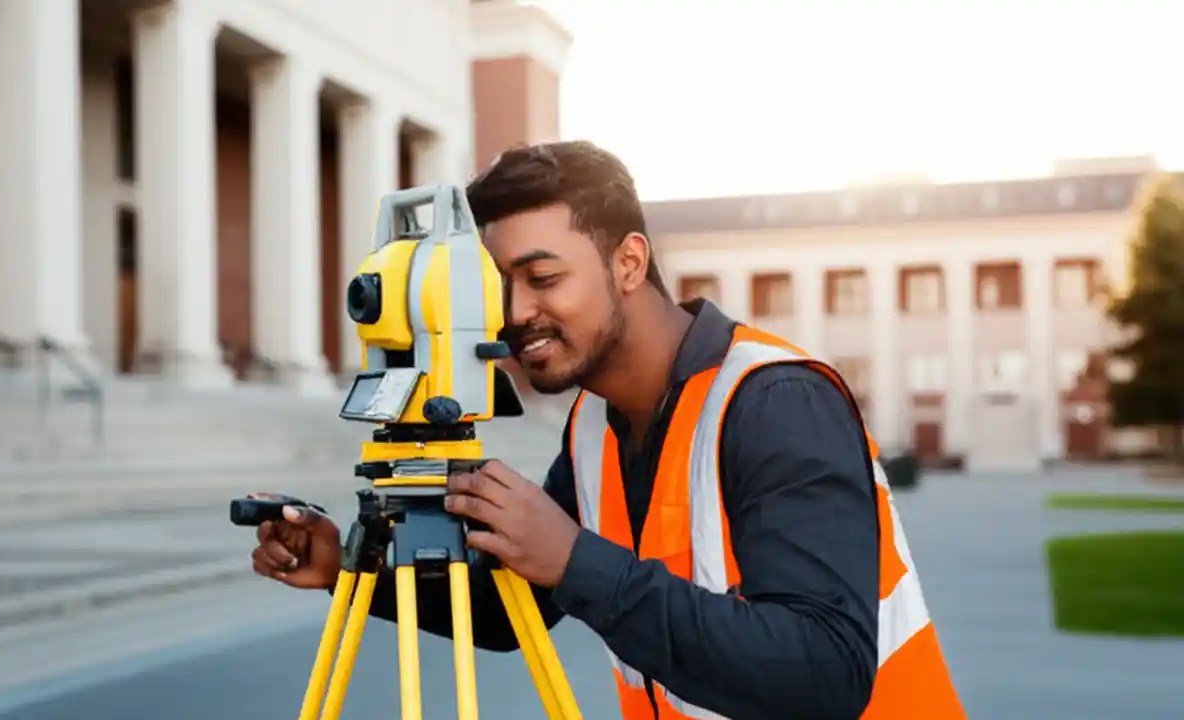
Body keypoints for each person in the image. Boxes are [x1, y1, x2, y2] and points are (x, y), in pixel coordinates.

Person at [248, 141, 965, 719]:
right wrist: (352, 568)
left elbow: (825, 675)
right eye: (498, 285)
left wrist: (575, 559)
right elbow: (515, 610)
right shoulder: (593, 423)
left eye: (542, 277)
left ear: (629, 261)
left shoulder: (775, 401)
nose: (514, 310)